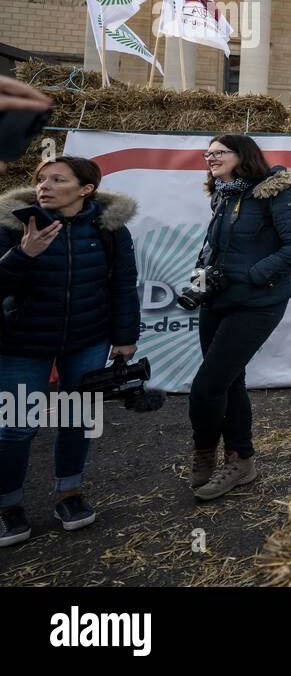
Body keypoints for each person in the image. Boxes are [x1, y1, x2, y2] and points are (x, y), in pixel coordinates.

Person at [0, 157, 140, 546]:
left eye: (58, 179)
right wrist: (22, 254)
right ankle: (8, 506)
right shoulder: (12, 224)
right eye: (41, 179)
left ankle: (69, 493)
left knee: (77, 419)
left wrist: (126, 336)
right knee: (15, 428)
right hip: (20, 344)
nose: (44, 185)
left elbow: (123, 283)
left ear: (85, 190)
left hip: (88, 340)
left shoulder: (109, 228)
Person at [188, 135, 291, 501]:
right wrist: (198, 284)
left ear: (242, 155)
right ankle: (241, 459)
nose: (210, 158)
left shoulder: (276, 192)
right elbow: (211, 249)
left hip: (258, 302)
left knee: (206, 387)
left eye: (218, 152)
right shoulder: (223, 195)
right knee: (229, 382)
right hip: (218, 299)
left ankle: (205, 451)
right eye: (207, 153)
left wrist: (256, 275)